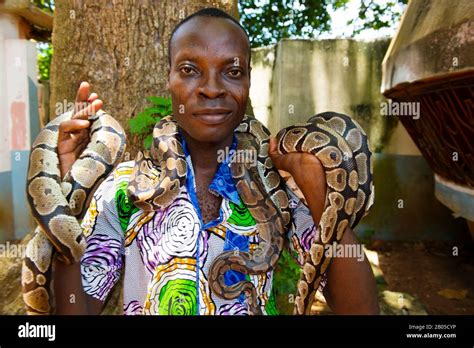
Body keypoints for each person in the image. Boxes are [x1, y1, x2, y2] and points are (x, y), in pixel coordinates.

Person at [53, 8, 379, 315]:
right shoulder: (124, 190)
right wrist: (68, 196)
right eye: (190, 70)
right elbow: (77, 308)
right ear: (169, 79)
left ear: (248, 82)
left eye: (233, 71)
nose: (211, 89)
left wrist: (318, 190)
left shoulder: (281, 187)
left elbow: (359, 310)